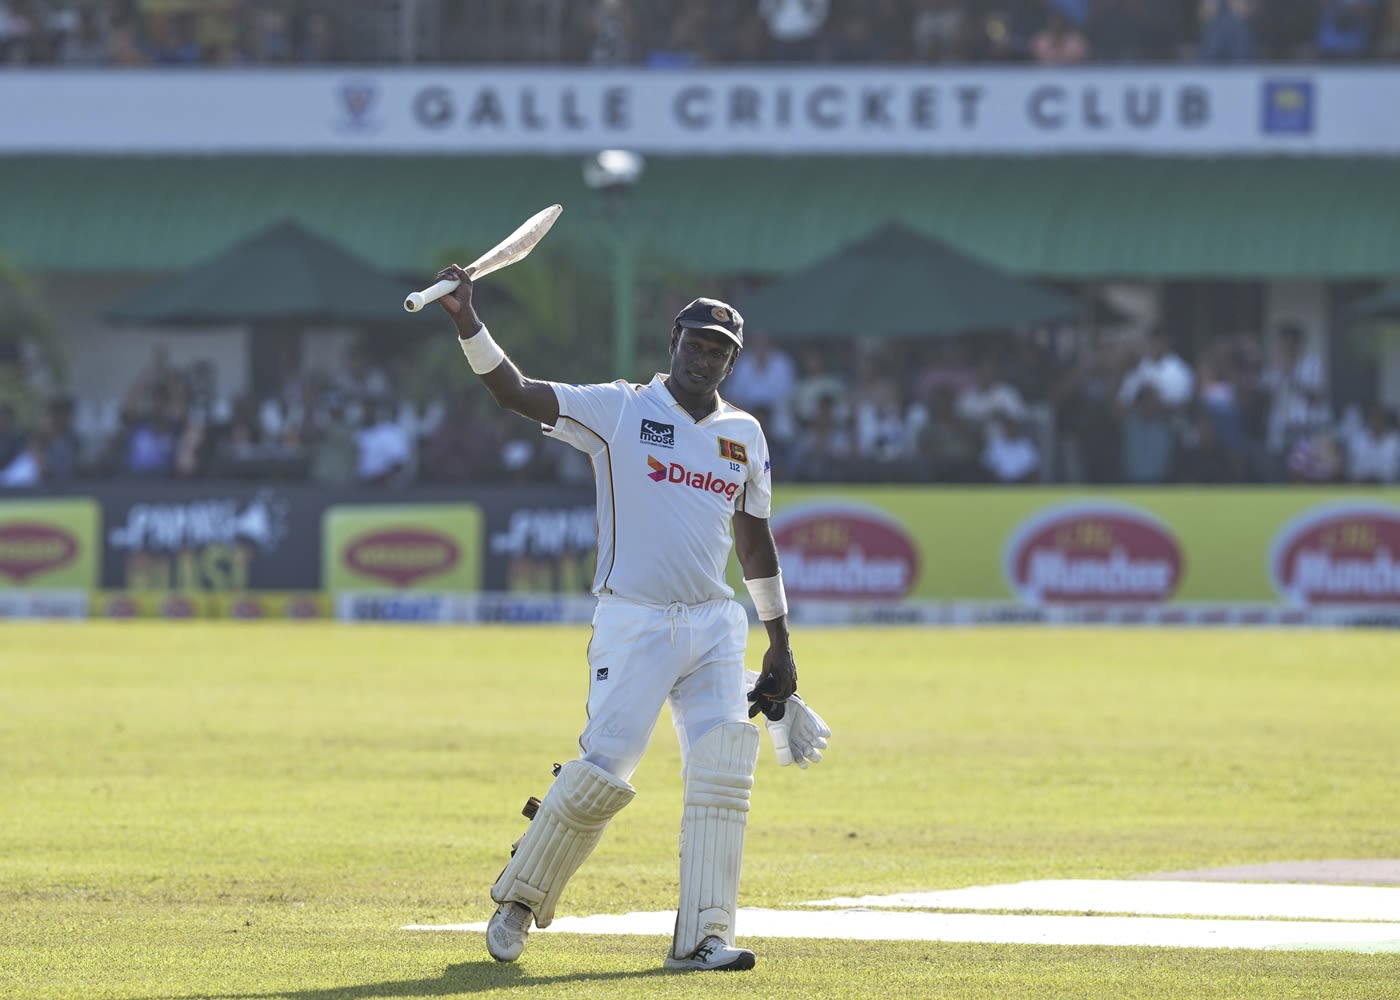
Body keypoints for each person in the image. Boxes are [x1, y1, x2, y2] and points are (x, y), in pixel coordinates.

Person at [433, 263, 831, 973]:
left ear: (733, 361)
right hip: (635, 620)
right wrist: (467, 317)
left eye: (720, 351)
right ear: (673, 340)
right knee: (605, 769)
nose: (705, 358)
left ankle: (704, 936)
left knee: (723, 771)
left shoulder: (746, 434)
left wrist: (780, 644)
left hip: (714, 623)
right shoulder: (619, 410)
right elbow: (514, 392)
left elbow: (754, 538)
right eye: (697, 343)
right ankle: (519, 901)